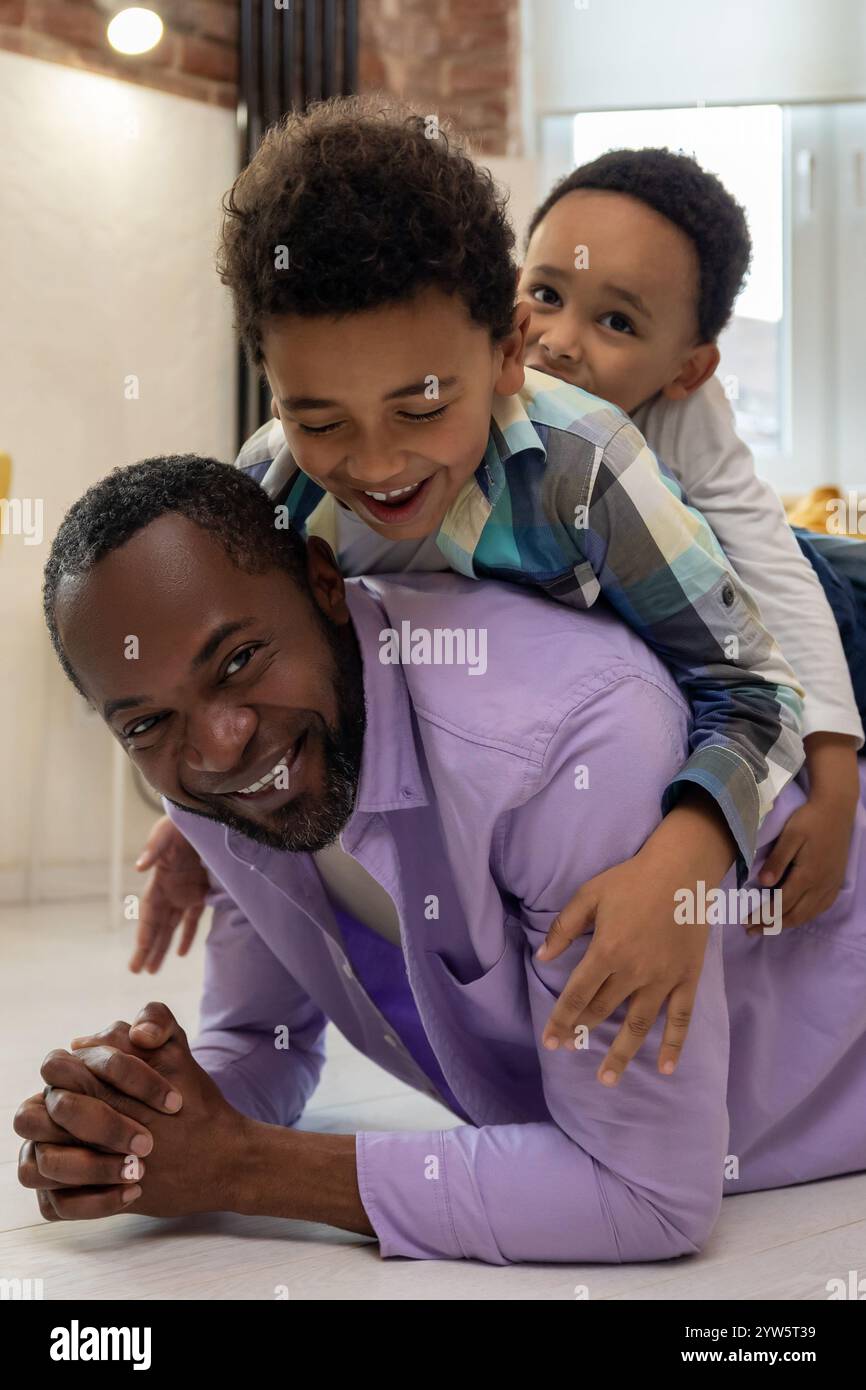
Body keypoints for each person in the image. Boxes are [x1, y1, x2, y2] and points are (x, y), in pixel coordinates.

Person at [18, 456, 866, 1265]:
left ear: (324, 583)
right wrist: (141, 1122)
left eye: (239, 661)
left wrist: (243, 1167)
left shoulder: (565, 745)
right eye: (147, 724)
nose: (219, 745)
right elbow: (258, 1038)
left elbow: (645, 1195)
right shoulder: (215, 793)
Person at [127, 97, 806, 1087]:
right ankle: (249, 1067)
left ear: (507, 351)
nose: (375, 462)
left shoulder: (587, 468)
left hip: (615, 819)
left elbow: (753, 688)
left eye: (422, 406)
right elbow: (242, 684)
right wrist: (198, 824)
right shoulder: (271, 489)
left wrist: (682, 865)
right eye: (319, 419)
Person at [519, 147, 865, 943]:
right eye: (545, 293)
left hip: (790, 582)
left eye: (616, 322)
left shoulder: (685, 412)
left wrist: (835, 782)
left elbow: (769, 563)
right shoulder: (488, 361)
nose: (559, 341)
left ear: (688, 369)